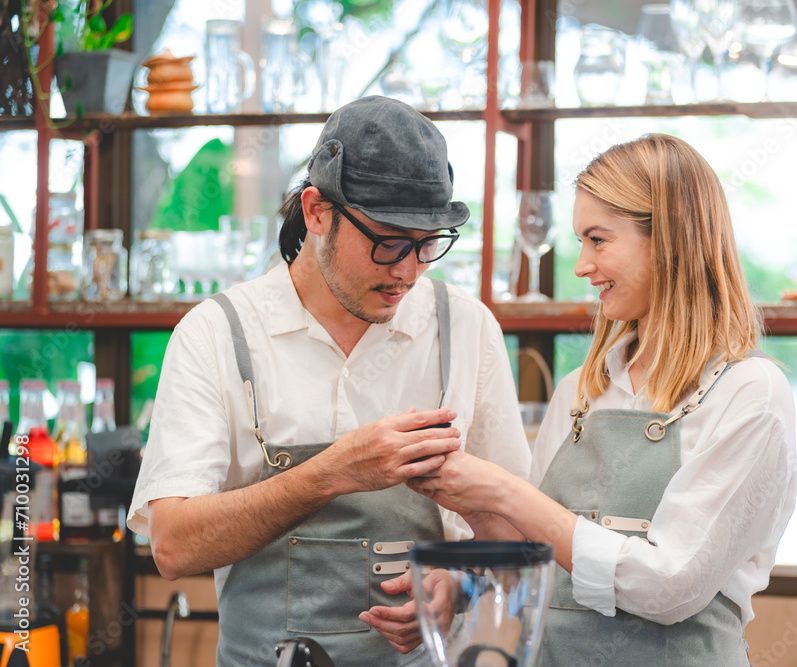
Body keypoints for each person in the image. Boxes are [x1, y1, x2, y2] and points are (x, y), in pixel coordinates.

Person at [126, 96, 531, 667]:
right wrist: (333, 473)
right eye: (388, 241)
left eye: (428, 243)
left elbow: (514, 530)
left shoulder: (465, 329)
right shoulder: (218, 334)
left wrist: (460, 583)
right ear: (316, 212)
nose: (408, 271)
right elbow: (171, 544)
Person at [408, 133, 797, 665]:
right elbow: (536, 553)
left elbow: (669, 586)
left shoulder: (750, 394)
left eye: (598, 240)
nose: (581, 265)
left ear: (669, 239)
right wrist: (462, 562)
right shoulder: (579, 393)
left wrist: (502, 490)